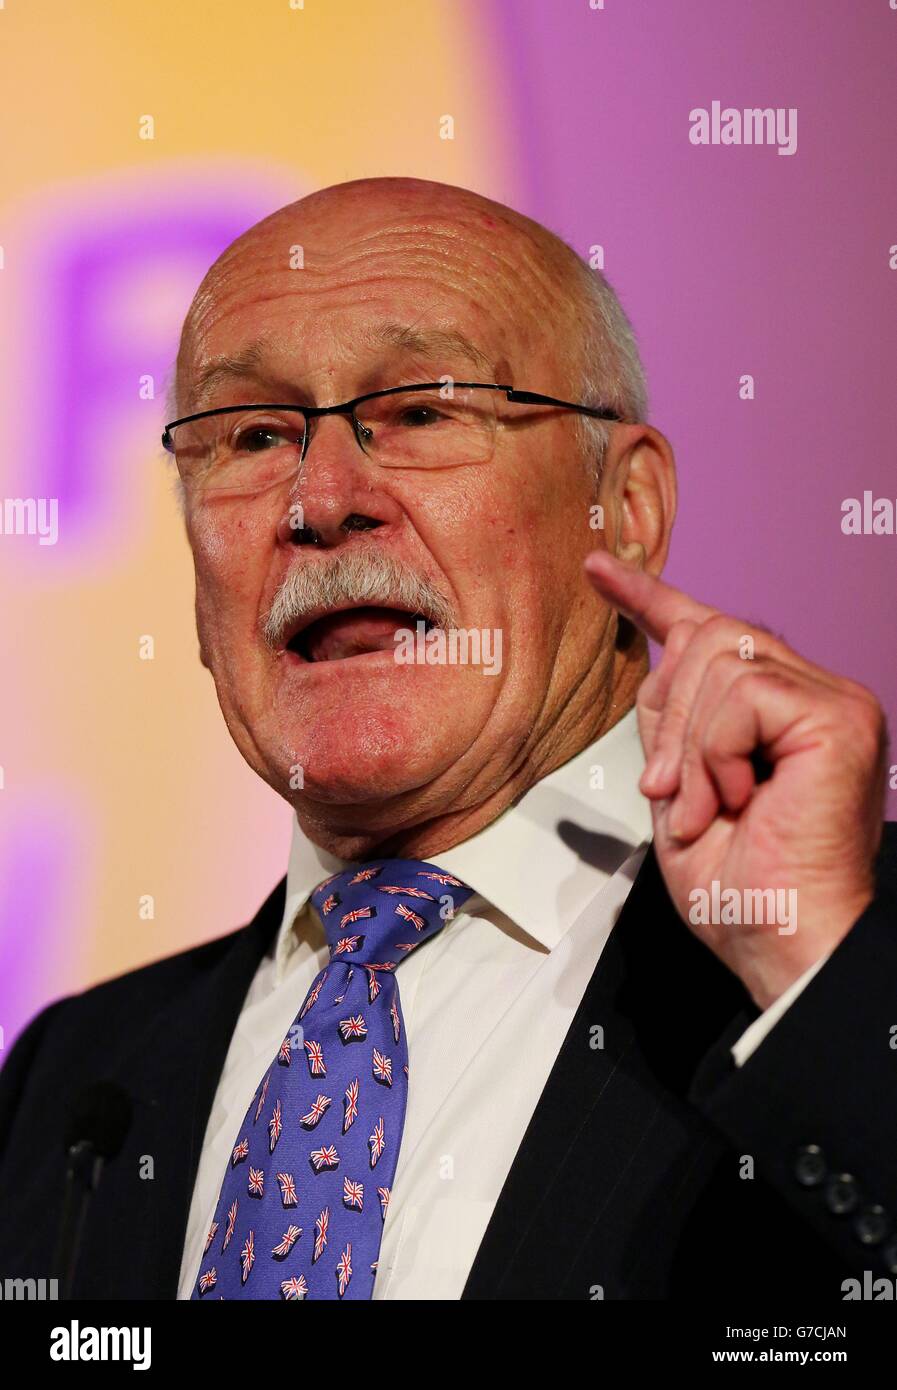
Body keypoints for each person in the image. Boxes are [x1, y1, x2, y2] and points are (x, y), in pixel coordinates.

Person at [1, 177, 893, 1301]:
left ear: (626, 509)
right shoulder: (73, 1080)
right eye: (255, 435)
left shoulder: (838, 973)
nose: (321, 499)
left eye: (423, 411)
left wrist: (821, 983)